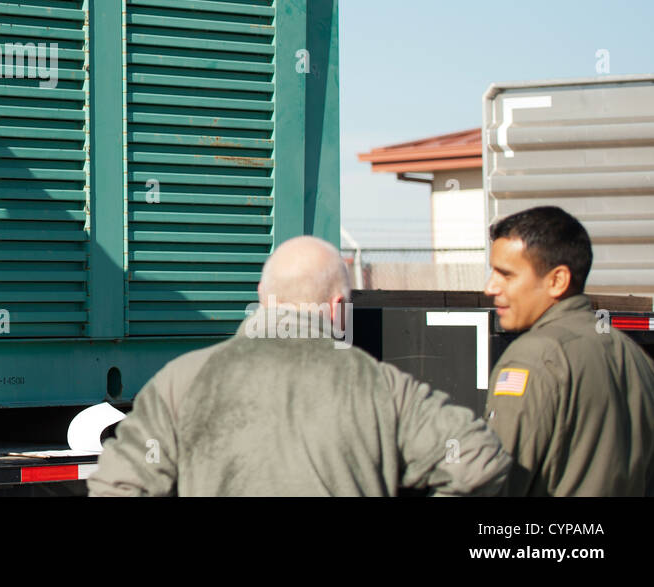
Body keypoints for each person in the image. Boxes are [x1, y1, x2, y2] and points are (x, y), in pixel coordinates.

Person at [88, 236, 511, 496]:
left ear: (261, 294)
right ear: (338, 307)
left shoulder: (181, 382)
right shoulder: (380, 385)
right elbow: (478, 461)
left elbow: (117, 485)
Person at [484, 205, 654, 495]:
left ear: (557, 281)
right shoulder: (635, 357)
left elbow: (496, 483)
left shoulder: (533, 358)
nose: (491, 287)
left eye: (506, 275)